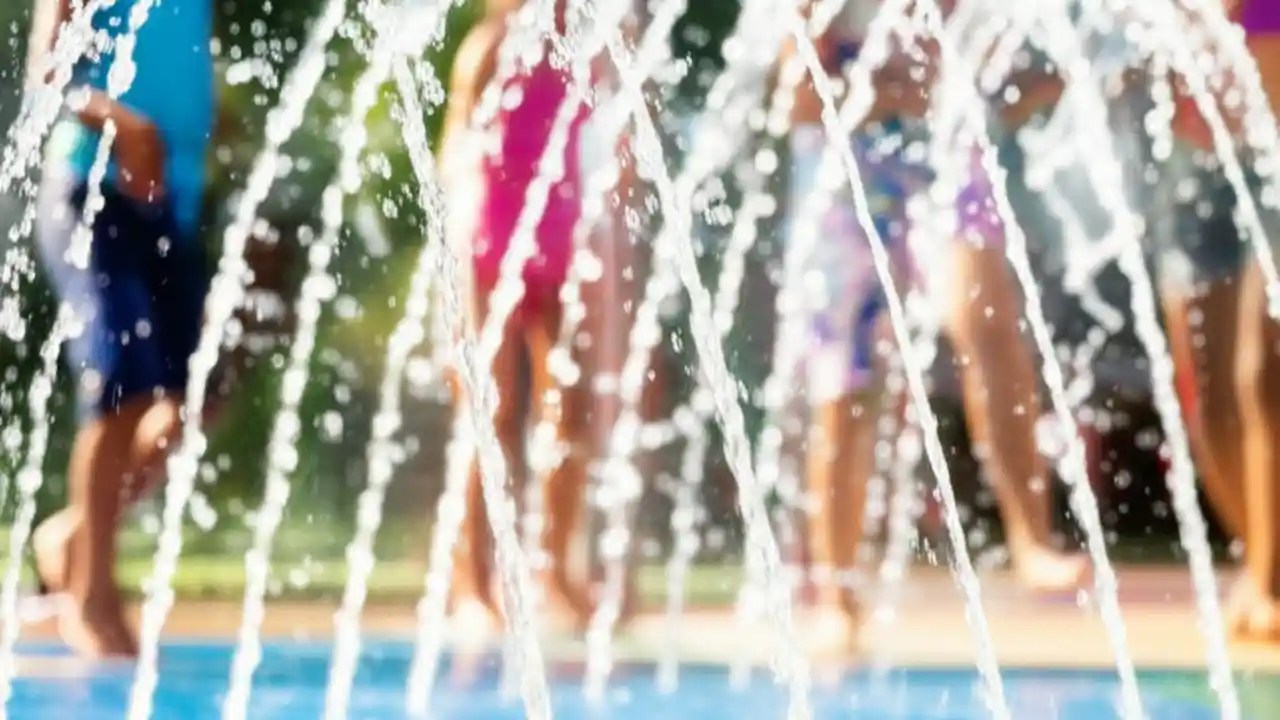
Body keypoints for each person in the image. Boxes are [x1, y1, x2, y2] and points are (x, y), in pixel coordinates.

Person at [783, 0, 1089, 639]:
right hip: (846, 165)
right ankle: (836, 592)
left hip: (943, 150)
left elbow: (996, 75)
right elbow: (798, 97)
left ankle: (1030, 537)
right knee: (848, 379)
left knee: (987, 319)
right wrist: (896, 90)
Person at [27, 0, 215, 657]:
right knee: (120, 383)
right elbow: (47, 74)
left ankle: (74, 534)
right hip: (91, 188)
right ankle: (90, 596)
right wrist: (119, 122)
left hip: (172, 199)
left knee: (197, 400)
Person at [439, 0, 594, 630]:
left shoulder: (583, 46)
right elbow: (453, 149)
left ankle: (552, 570)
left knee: (569, 408)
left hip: (559, 244)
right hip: (488, 244)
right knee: (490, 410)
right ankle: (471, 583)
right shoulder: (489, 44)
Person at [1162, 0, 1280, 642]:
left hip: (1275, 150)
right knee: (1206, 388)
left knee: (1262, 363)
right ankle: (1259, 556)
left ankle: (1268, 579)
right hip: (1193, 160)